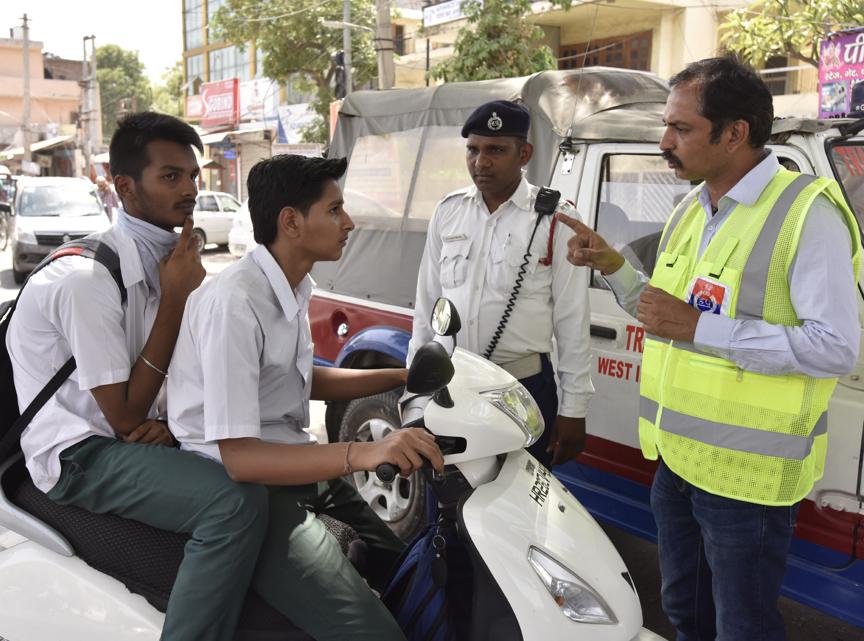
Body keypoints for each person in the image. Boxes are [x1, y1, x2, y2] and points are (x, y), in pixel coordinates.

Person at [557, 56, 861, 641]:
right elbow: (664, 313)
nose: (664, 142)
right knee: (685, 614)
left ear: (735, 133)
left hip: (746, 483)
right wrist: (615, 267)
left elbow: (833, 349)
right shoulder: (690, 211)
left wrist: (701, 329)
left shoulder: (806, 214)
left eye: (681, 128)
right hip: (677, 462)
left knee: (743, 628)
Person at [6, 112, 269, 641]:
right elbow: (124, 415)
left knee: (271, 460)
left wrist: (170, 425)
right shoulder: (86, 280)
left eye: (194, 175)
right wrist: (178, 298)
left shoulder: (172, 259)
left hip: (136, 437)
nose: (191, 189)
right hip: (78, 454)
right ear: (125, 187)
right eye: (170, 177)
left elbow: (183, 380)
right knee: (234, 502)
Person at [167, 154, 444, 640]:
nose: (349, 222)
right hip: (251, 488)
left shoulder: (295, 286)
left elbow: (299, 380)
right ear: (291, 222)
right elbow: (240, 459)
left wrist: (403, 375)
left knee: (411, 566)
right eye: (335, 210)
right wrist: (364, 452)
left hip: (297, 462)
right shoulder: (235, 302)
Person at [408, 99, 594, 468]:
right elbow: (427, 308)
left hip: (522, 388)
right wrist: (416, 392)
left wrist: (574, 409)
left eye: (496, 150)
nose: (481, 162)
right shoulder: (448, 211)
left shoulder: (556, 218)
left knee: (522, 504)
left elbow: (572, 320)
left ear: (524, 153)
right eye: (473, 150)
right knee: (449, 499)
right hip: (451, 386)